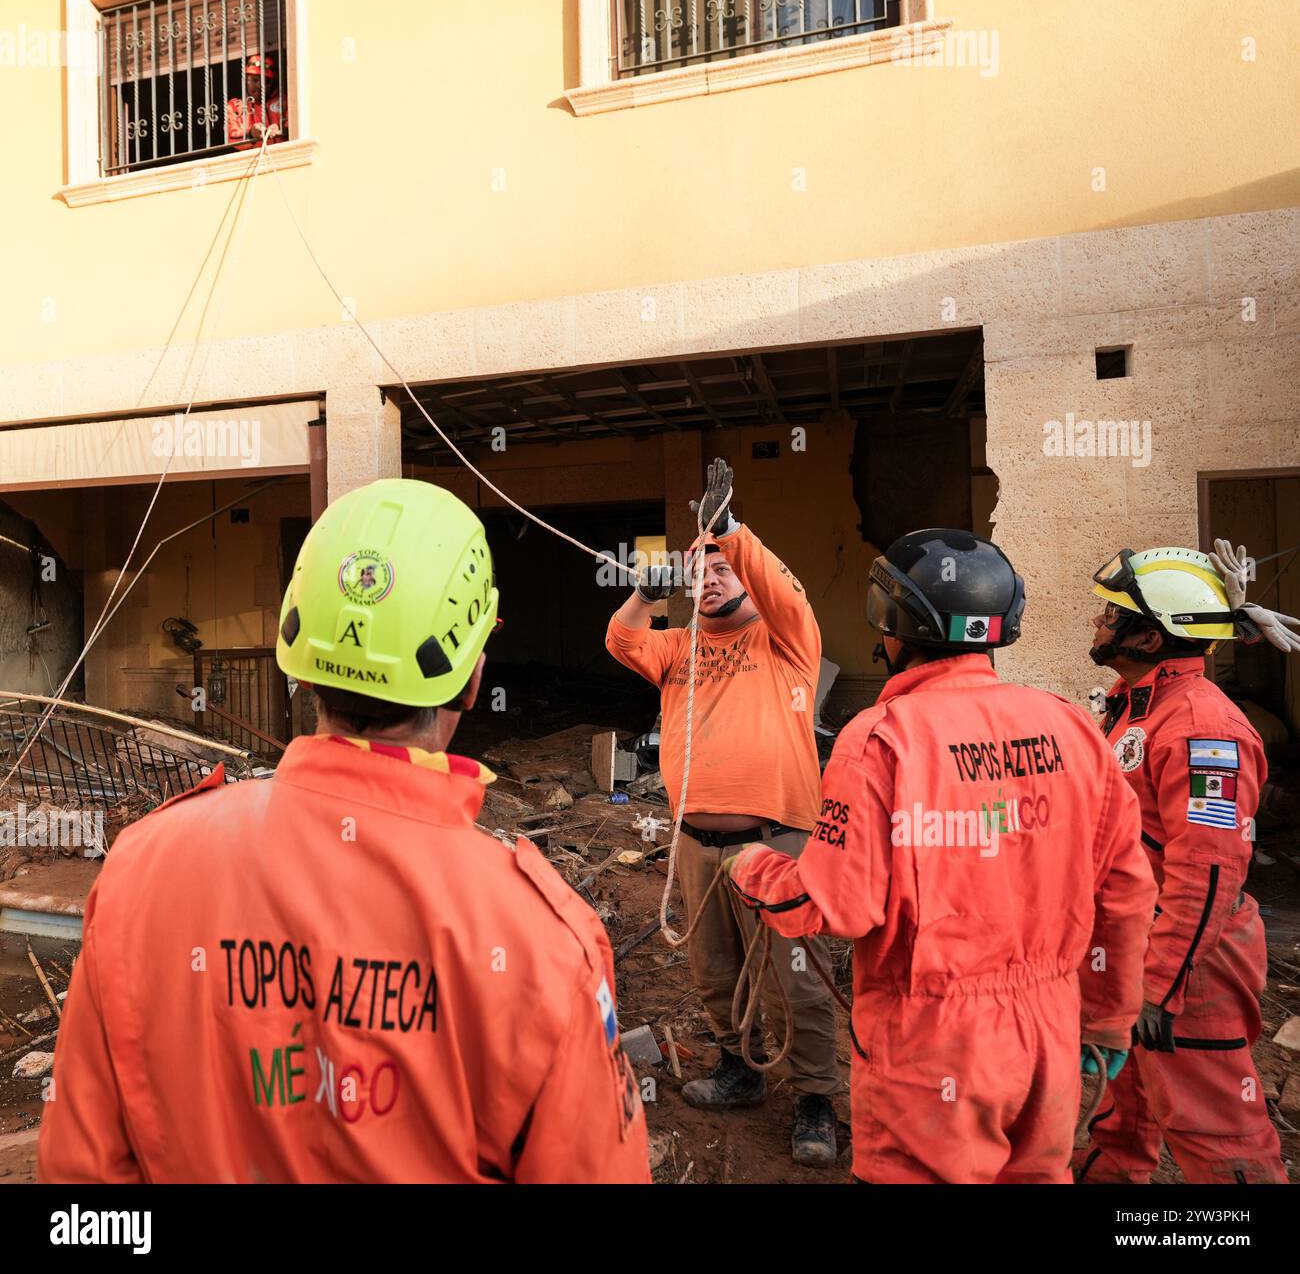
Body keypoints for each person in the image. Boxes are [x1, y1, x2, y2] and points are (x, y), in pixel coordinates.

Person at [39, 478, 649, 1183]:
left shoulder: (142, 869)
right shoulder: (541, 945)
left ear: (292, 655)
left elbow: (79, 1181)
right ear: (475, 675)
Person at [728, 529, 1156, 1183]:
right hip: (1050, 1037)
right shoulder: (1070, 725)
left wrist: (751, 867)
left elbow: (832, 901)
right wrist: (1110, 1023)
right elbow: (1126, 890)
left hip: (931, 1048)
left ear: (892, 622)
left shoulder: (880, 738)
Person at [605, 458, 840, 1167]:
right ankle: (739, 1068)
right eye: (697, 573)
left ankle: (815, 1101)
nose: (708, 581)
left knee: (795, 978)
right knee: (714, 972)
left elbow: (781, 588)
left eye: (721, 571)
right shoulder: (679, 648)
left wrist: (728, 530)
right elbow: (620, 639)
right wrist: (650, 587)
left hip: (779, 847)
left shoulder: (788, 639)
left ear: (744, 574)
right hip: (696, 845)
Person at [1074, 545, 1287, 1183]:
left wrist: (1163, 987)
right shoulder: (1138, 702)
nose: (1097, 624)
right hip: (1138, 953)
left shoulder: (1202, 731)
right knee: (1122, 1115)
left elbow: (1209, 873)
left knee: (1216, 1128)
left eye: (1112, 615)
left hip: (1191, 964)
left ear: (1149, 635)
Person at [226, 52, 283, 149]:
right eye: (255, 80)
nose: (260, 86)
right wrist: (251, 132)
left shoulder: (285, 101)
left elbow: (297, 126)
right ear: (246, 80)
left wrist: (280, 128)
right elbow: (230, 138)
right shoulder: (235, 106)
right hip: (253, 161)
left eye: (266, 82)